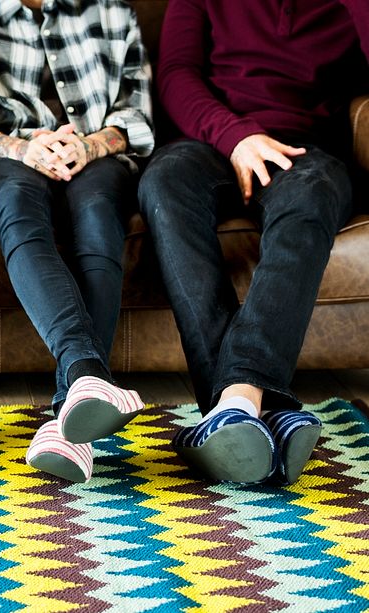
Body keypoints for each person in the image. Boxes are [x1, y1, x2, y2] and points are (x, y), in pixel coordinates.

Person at [138, 0, 369, 484]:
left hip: (307, 149)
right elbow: (176, 75)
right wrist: (237, 136)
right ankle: (256, 405)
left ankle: (236, 404)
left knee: (313, 196)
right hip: (212, 139)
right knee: (163, 185)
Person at [0, 0, 153, 482]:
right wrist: (24, 149)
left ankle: (68, 415)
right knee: (18, 209)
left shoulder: (115, 14)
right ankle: (85, 375)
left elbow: (136, 116)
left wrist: (89, 144)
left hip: (94, 157)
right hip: (11, 159)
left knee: (98, 214)